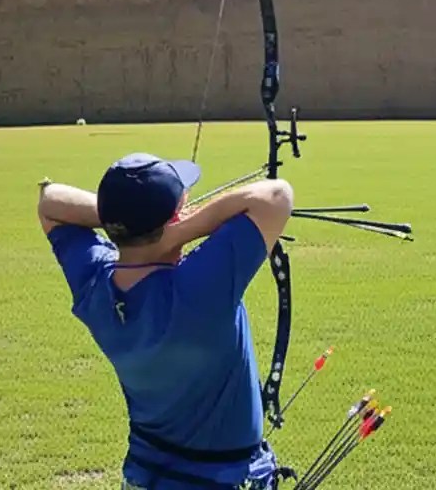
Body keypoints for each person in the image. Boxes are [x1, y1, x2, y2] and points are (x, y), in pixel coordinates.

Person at [37, 152, 295, 489]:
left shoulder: (93, 283)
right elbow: (277, 196)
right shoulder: (199, 289)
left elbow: (50, 200)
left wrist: (131, 224)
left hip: (147, 477)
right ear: (175, 219)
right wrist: (176, 233)